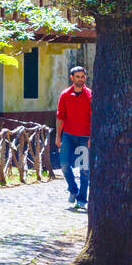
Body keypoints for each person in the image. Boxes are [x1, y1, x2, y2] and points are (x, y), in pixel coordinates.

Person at [55, 65, 92, 211]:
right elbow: (60, 117)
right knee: (64, 164)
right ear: (72, 78)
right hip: (68, 136)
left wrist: (91, 137)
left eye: (83, 76)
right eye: (77, 76)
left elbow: (94, 117)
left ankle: (82, 200)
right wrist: (58, 136)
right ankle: (73, 189)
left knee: (84, 169)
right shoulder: (65, 95)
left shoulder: (90, 95)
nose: (80, 79)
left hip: (84, 136)